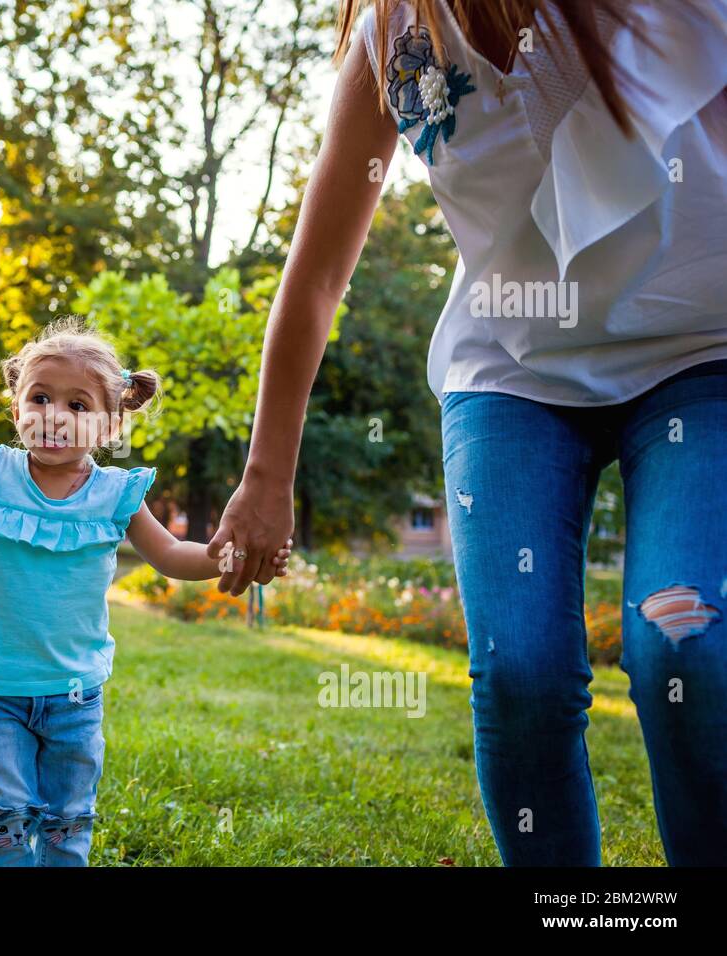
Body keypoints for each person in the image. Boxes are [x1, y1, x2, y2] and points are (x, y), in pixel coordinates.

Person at [208, 0, 727, 864]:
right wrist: (266, 476)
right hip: (513, 369)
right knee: (519, 672)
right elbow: (317, 276)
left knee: (687, 649)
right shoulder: (391, 39)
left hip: (701, 349)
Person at [0, 319, 292, 864]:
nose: (54, 416)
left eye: (78, 405)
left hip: (76, 694)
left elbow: (170, 556)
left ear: (112, 425)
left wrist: (222, 556)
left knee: (68, 819)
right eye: (40, 397)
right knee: (3, 815)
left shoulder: (117, 493)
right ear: (16, 407)